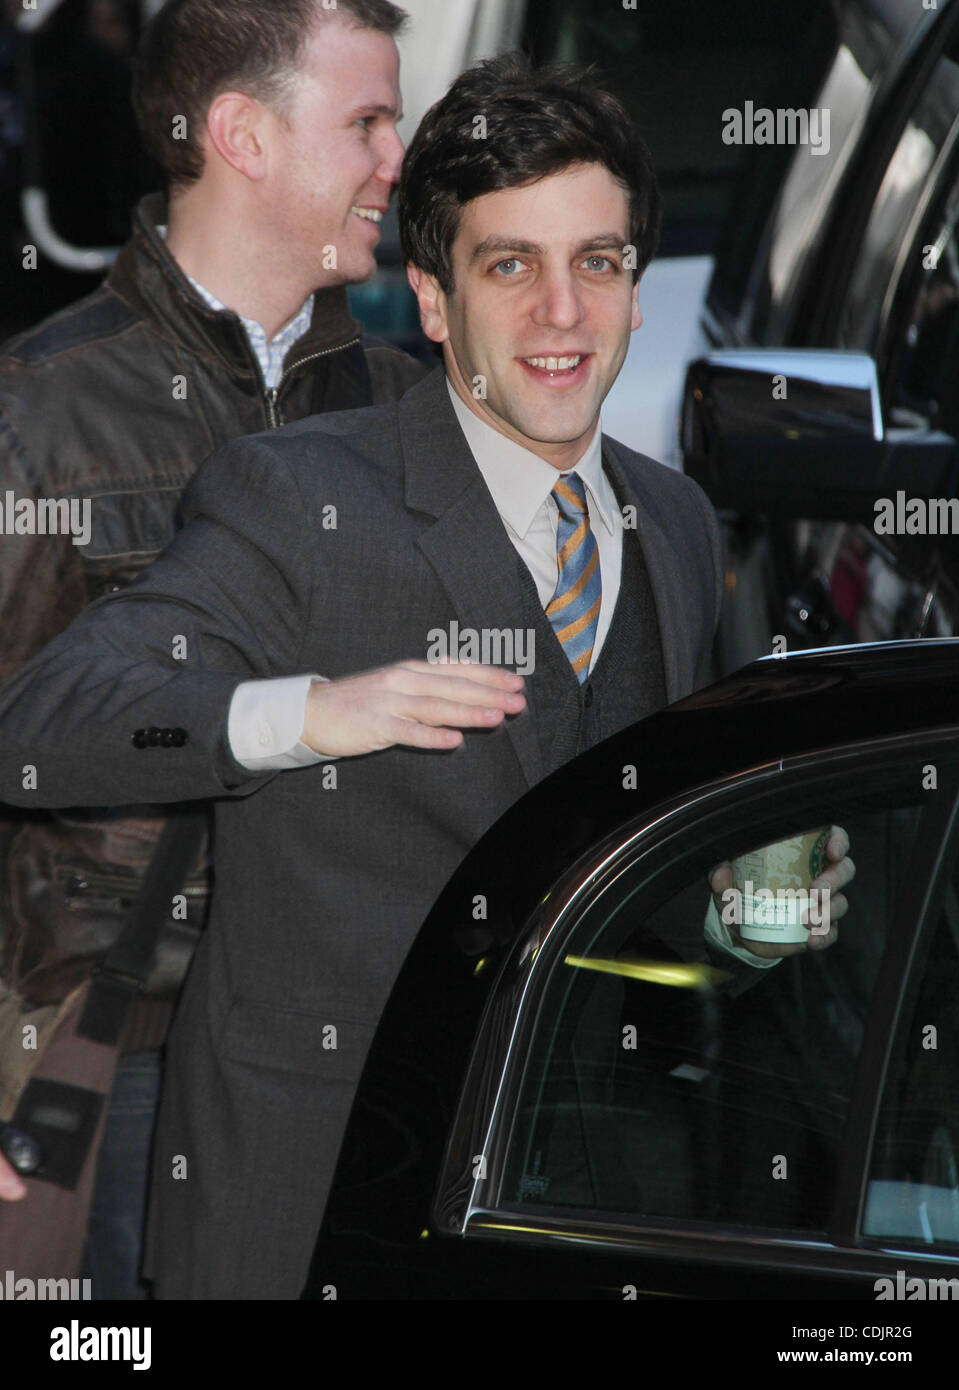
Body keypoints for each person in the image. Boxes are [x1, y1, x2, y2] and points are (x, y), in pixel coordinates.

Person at [0, 52, 853, 1299]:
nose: (561, 313)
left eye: (597, 263)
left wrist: (726, 916)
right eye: (510, 266)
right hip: (305, 1206)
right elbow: (45, 717)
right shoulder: (298, 495)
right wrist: (308, 713)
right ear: (436, 302)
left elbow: (613, 872)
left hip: (568, 1201)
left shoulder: (671, 524)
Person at [0, 0, 422, 1298]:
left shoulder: (415, 413)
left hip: (372, 1053)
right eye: (364, 121)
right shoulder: (40, 413)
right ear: (240, 134)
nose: (393, 157)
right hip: (126, 1059)